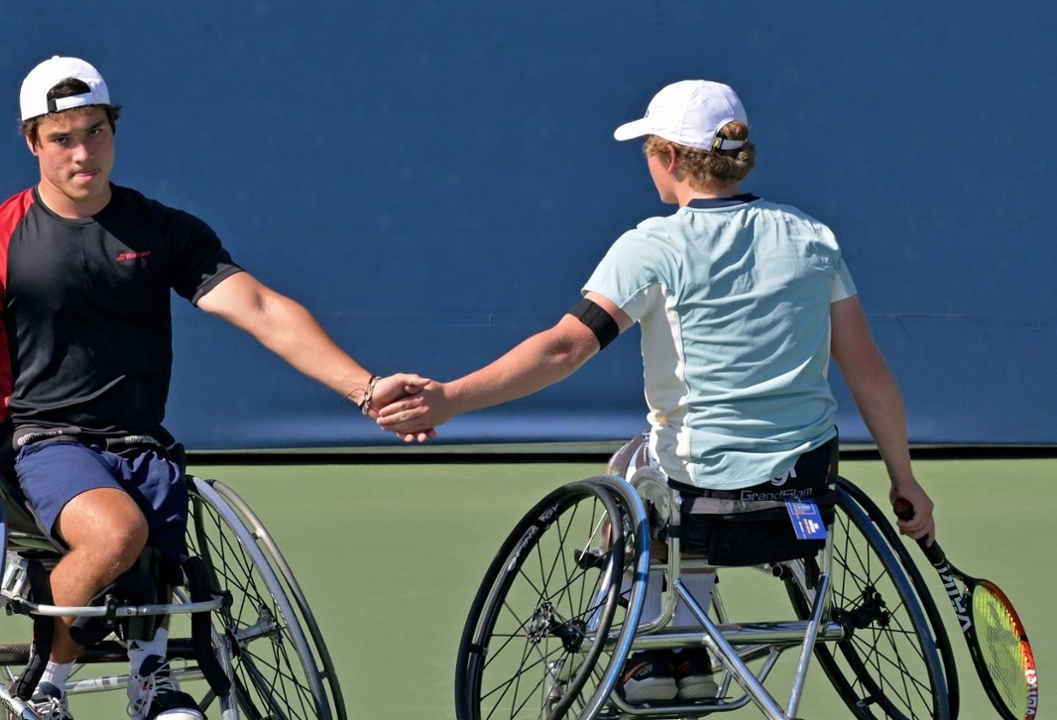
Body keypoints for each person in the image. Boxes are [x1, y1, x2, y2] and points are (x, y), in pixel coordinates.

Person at [376, 79, 936, 704]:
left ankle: (652, 656)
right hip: (803, 506)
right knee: (667, 473)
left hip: (699, 499)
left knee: (635, 470)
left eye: (647, 147)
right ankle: (688, 652)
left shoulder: (650, 247)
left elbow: (565, 349)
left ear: (670, 158)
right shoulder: (813, 238)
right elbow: (868, 373)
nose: (646, 160)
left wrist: (451, 398)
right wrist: (905, 480)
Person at [0, 56, 426, 720]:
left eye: (96, 131)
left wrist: (365, 390)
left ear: (115, 128)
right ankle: (46, 688)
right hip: (37, 443)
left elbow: (263, 309)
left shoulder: (161, 232)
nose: (83, 152)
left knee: (156, 549)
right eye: (62, 137)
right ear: (31, 140)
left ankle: (150, 674)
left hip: (140, 445)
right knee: (115, 535)